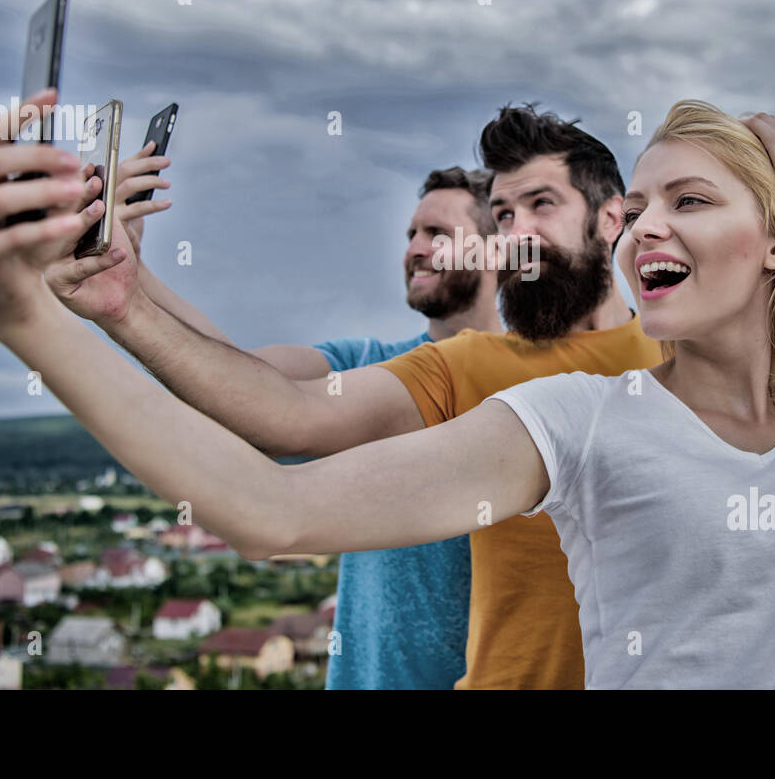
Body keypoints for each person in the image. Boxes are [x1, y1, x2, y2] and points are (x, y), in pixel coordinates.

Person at [0, 97, 775, 686]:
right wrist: (35, 317)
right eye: (641, 205)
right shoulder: (566, 420)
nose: (648, 225)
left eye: (688, 201)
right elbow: (274, 494)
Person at [0, 90, 663, 689]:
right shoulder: (437, 367)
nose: (516, 235)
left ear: (611, 219)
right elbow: (258, 400)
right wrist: (124, 294)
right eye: (506, 214)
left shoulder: (682, 358)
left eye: (540, 205)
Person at [85, 145, 500, 689]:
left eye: (438, 235)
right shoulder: (368, 364)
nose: (416, 250)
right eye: (410, 235)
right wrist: (131, 277)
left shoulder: (532, 385)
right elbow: (241, 378)